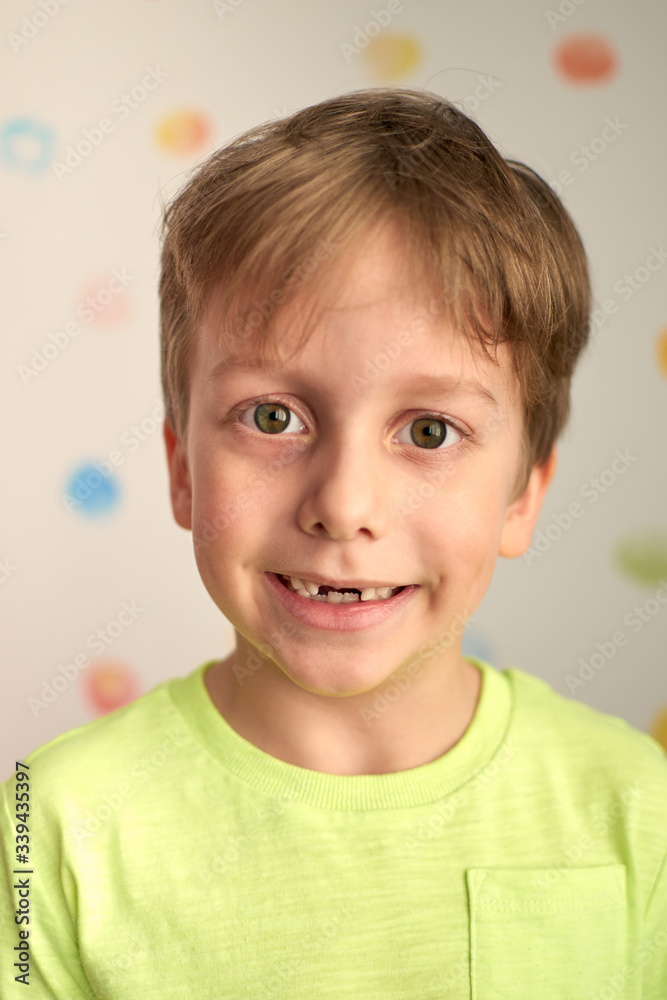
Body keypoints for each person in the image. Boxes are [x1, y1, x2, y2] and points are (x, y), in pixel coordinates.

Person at [1, 87, 665, 998]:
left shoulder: (638, 809)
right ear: (182, 470)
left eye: (428, 432)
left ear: (523, 495)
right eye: (272, 417)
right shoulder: (51, 824)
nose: (343, 505)